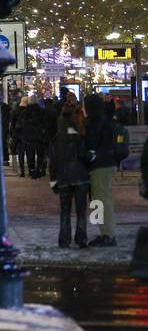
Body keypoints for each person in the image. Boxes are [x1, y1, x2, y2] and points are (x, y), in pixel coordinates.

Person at [51, 92, 90, 249]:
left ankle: (64, 239)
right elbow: (84, 156)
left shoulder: (56, 139)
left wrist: (53, 182)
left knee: (65, 211)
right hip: (80, 176)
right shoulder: (80, 137)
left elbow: (53, 163)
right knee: (81, 211)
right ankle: (81, 238)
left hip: (63, 178)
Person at [84, 93, 119, 248]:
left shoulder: (94, 121)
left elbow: (91, 143)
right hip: (107, 163)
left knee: (102, 200)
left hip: (100, 165)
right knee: (102, 199)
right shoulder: (105, 119)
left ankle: (108, 234)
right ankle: (105, 231)